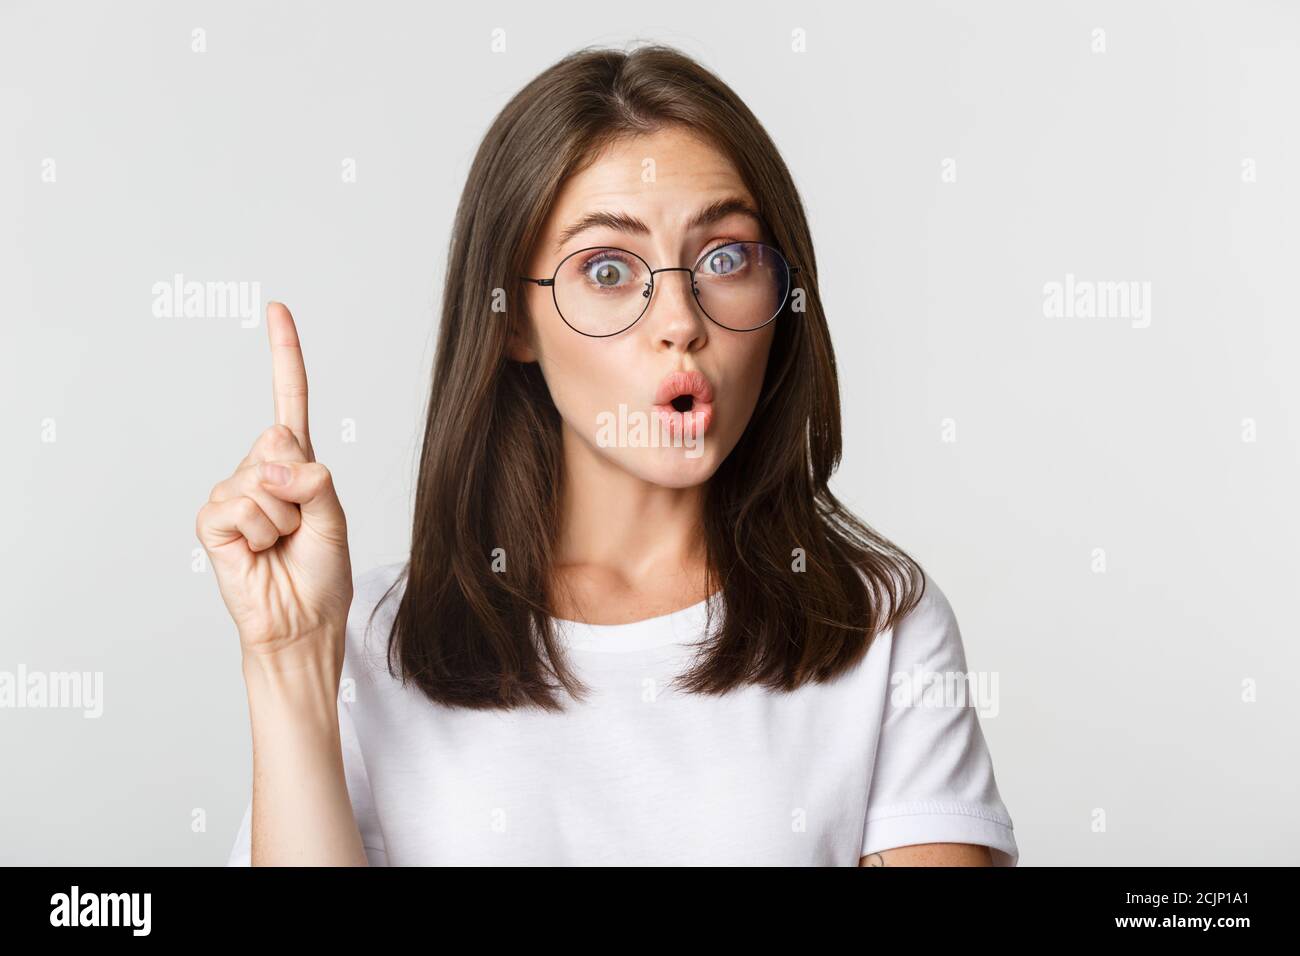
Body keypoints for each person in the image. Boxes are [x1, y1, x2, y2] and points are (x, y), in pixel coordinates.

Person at [198, 44, 1018, 866]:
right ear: (511, 319)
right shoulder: (372, 642)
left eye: (725, 257)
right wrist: (290, 664)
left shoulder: (876, 624)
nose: (680, 319)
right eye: (608, 269)